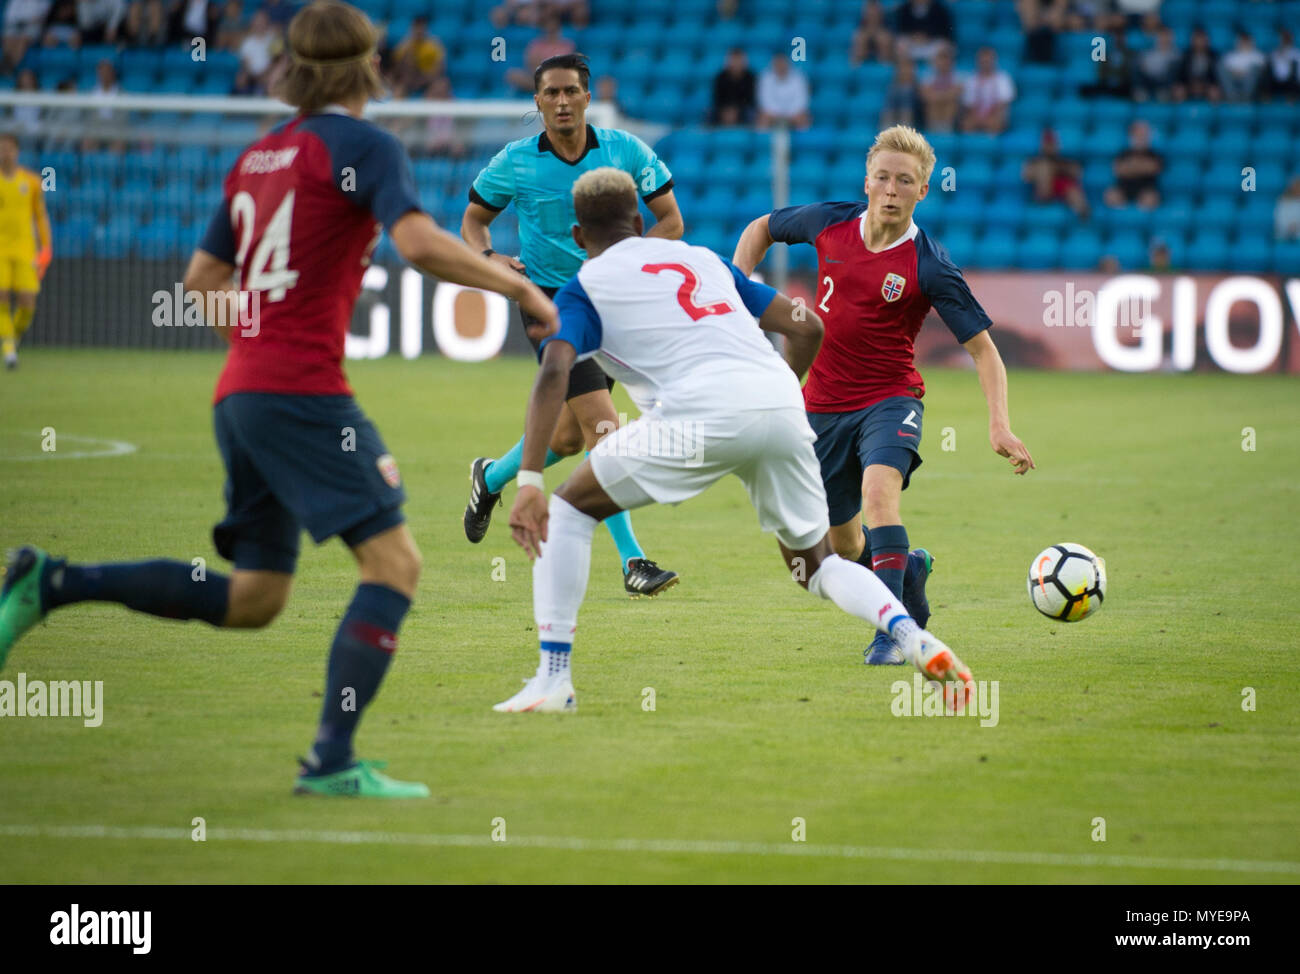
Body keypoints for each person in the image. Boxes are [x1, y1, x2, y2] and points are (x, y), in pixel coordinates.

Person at [0, 0, 560, 798]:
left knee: (257, 597)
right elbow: (417, 243)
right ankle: (331, 760)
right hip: (298, 391)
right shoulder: (364, 144)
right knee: (396, 563)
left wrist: (262, 336)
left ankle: (51, 581)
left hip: (241, 391)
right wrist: (517, 288)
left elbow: (198, 283)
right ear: (369, 67)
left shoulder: (259, 155)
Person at [495, 167, 974, 714]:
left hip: (697, 418)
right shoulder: (701, 258)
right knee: (816, 566)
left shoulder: (585, 288)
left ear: (578, 237)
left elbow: (555, 369)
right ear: (638, 221)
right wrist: (774, 397)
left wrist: (530, 479)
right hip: (779, 400)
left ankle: (554, 680)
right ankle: (912, 636)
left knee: (569, 510)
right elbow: (809, 327)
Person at [732, 124, 1035, 665]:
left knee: (879, 497)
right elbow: (761, 227)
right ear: (867, 182)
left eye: (906, 181)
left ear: (923, 190)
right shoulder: (829, 222)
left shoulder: (930, 265)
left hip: (890, 400)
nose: (892, 189)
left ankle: (892, 635)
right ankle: (909, 568)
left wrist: (999, 424)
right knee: (844, 546)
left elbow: (985, 351)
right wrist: (738, 284)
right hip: (820, 404)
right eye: (883, 178)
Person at [460, 53, 684, 597]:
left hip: (611, 302)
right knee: (603, 430)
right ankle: (634, 562)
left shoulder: (625, 151)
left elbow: (672, 222)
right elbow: (472, 220)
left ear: (588, 97)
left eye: (570, 92)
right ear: (537, 102)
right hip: (552, 305)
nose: (561, 102)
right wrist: (489, 258)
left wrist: (626, 263)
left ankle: (488, 478)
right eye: (550, 93)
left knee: (565, 436)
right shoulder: (515, 161)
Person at [0, 133, 52, 370]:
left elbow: (40, 216)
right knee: (1, 295)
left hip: (25, 249)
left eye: (9, 149)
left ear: (17, 152)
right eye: (1, 149)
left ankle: (13, 336)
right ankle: (9, 350)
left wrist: (46, 246)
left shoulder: (31, 181)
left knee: (27, 302)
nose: (4, 153)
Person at [1022, 127, 1089, 219]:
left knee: (1072, 189)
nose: (1050, 147)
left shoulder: (1063, 160)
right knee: (1044, 168)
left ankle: (1083, 214)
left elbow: (1078, 172)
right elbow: (1025, 176)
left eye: (1052, 144)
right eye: (1047, 144)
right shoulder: (1035, 160)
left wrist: (1056, 168)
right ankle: (1043, 204)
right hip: (1043, 188)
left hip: (1061, 186)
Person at [1104, 119, 1163, 210]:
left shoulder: (1154, 154)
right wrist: (1141, 166)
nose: (1141, 136)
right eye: (1138, 133)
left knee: (1150, 198)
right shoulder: (1123, 153)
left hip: (1146, 189)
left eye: (1143, 134)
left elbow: (1153, 168)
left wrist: (1131, 166)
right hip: (1124, 188)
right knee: (1111, 195)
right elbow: (1118, 170)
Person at [960, 46, 1015, 134]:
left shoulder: (1003, 78)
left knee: (995, 122)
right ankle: (970, 145)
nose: (985, 63)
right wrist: (978, 117)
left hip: (996, 115)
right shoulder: (971, 79)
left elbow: (1003, 104)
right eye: (983, 61)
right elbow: (968, 104)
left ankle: (992, 145)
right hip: (975, 115)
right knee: (967, 124)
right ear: (978, 61)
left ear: (994, 61)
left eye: (988, 61)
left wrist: (989, 118)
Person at [756, 52, 811, 129]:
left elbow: (801, 100)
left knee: (803, 118)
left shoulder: (799, 77)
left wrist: (790, 114)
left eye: (783, 64)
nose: (781, 67)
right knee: (763, 118)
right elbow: (765, 100)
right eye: (778, 64)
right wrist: (778, 114)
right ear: (773, 65)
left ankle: (804, 140)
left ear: (788, 64)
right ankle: (763, 140)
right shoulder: (766, 77)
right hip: (772, 114)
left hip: (793, 113)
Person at [919, 42, 962, 133]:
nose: (944, 62)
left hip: (949, 110)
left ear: (951, 61)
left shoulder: (958, 76)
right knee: (932, 105)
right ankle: (934, 133)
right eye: (941, 59)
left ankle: (946, 134)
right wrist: (945, 95)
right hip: (934, 108)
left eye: (946, 59)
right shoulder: (928, 76)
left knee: (951, 104)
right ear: (936, 61)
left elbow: (956, 93)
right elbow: (926, 96)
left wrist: (937, 96)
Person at [710, 47, 756, 126]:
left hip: (743, 109)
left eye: (739, 60)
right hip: (724, 109)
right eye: (734, 60)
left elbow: (751, 99)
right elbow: (717, 98)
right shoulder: (720, 77)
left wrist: (736, 110)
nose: (736, 63)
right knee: (710, 113)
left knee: (751, 113)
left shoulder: (750, 78)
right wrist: (726, 110)